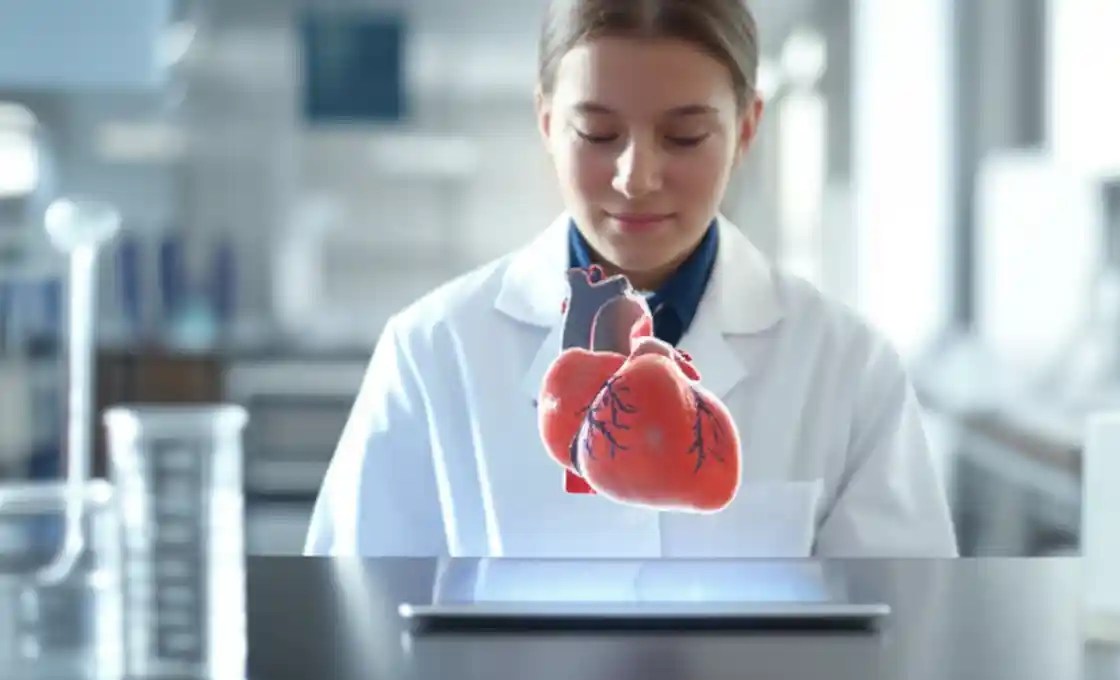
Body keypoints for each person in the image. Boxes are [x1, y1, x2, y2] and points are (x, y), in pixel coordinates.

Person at [304, 0, 958, 558]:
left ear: (747, 129)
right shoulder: (432, 352)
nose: (636, 177)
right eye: (597, 132)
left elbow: (903, 641)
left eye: (684, 137)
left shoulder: (846, 368)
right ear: (547, 124)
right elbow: (354, 634)